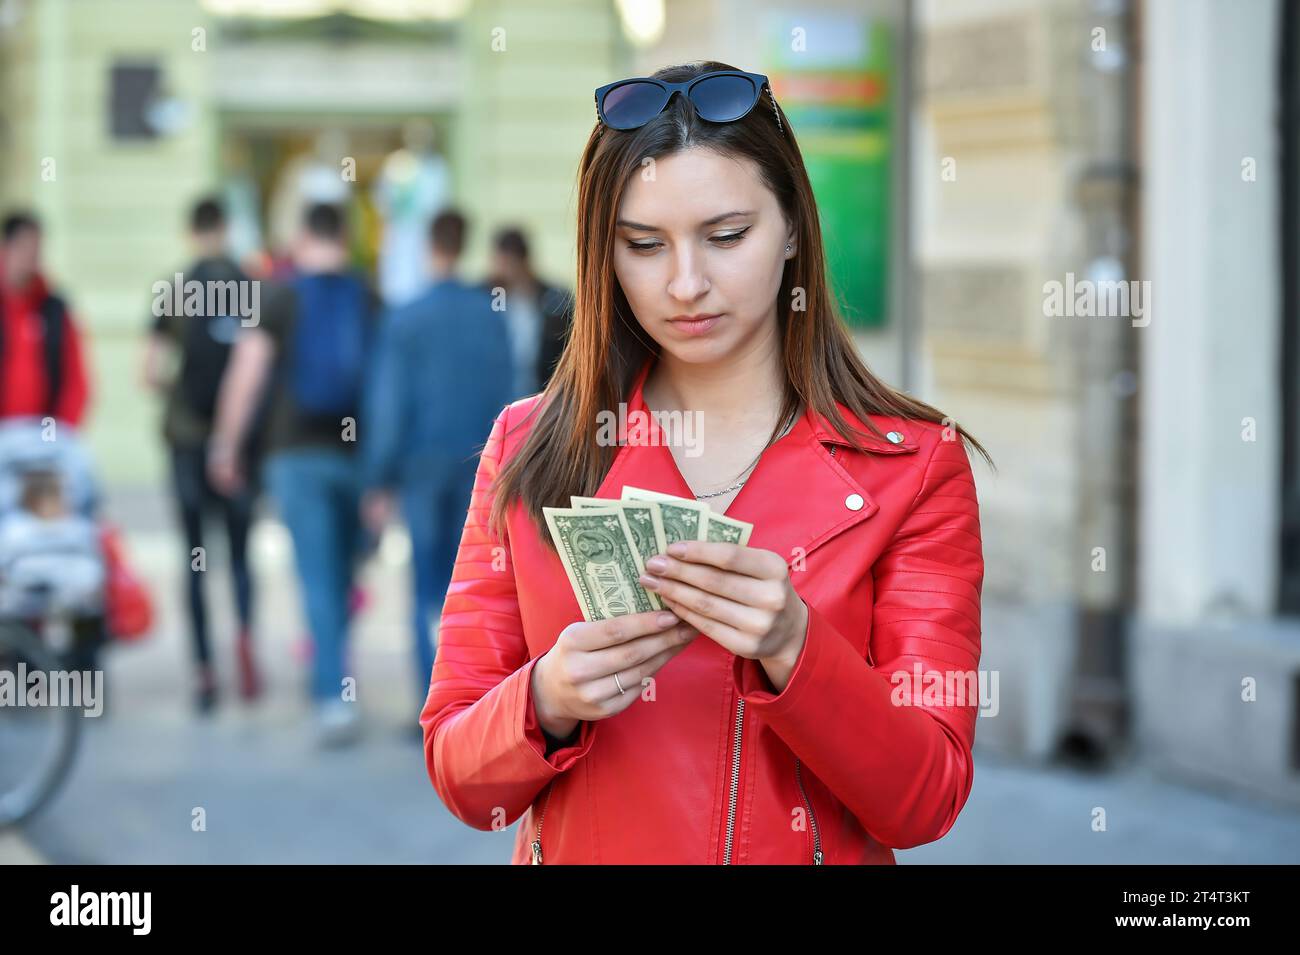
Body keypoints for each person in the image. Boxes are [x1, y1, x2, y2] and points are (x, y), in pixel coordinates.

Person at [418, 61, 992, 864]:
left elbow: (924, 799)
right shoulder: (530, 444)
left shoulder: (914, 468)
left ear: (792, 226)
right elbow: (459, 773)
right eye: (644, 245)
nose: (686, 283)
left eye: (727, 236)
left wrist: (799, 648)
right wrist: (544, 699)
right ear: (601, 254)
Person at [209, 203, 378, 747]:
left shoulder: (279, 295)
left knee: (317, 576)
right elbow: (387, 385)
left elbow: (248, 374)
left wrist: (227, 444)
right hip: (358, 457)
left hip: (293, 454)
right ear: (345, 237)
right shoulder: (369, 295)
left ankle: (332, 695)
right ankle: (333, 668)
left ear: (303, 237)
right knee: (346, 574)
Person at [362, 209, 513, 721]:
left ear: (429, 247)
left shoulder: (406, 316)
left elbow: (389, 404)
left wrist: (378, 478)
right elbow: (511, 396)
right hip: (480, 467)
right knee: (474, 582)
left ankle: (431, 699)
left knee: (426, 582)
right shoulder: (490, 314)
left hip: (421, 467)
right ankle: (473, 696)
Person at [142, 197, 261, 714]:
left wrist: (175, 390)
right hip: (237, 446)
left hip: (188, 442)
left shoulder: (176, 288)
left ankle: (204, 671)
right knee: (239, 554)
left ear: (191, 232)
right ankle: (246, 649)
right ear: (227, 227)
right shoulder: (250, 285)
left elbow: (148, 370)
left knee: (194, 558)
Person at [0, 212, 91, 427]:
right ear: (6, 249)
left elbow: (75, 379)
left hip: (44, 431)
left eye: (36, 249)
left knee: (80, 460)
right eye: (24, 248)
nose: (31, 257)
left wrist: (61, 427)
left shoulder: (54, 309)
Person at [484, 227, 573, 400]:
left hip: (541, 392)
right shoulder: (492, 295)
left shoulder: (553, 298)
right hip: (498, 393)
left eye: (507, 265)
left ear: (522, 262)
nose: (501, 272)